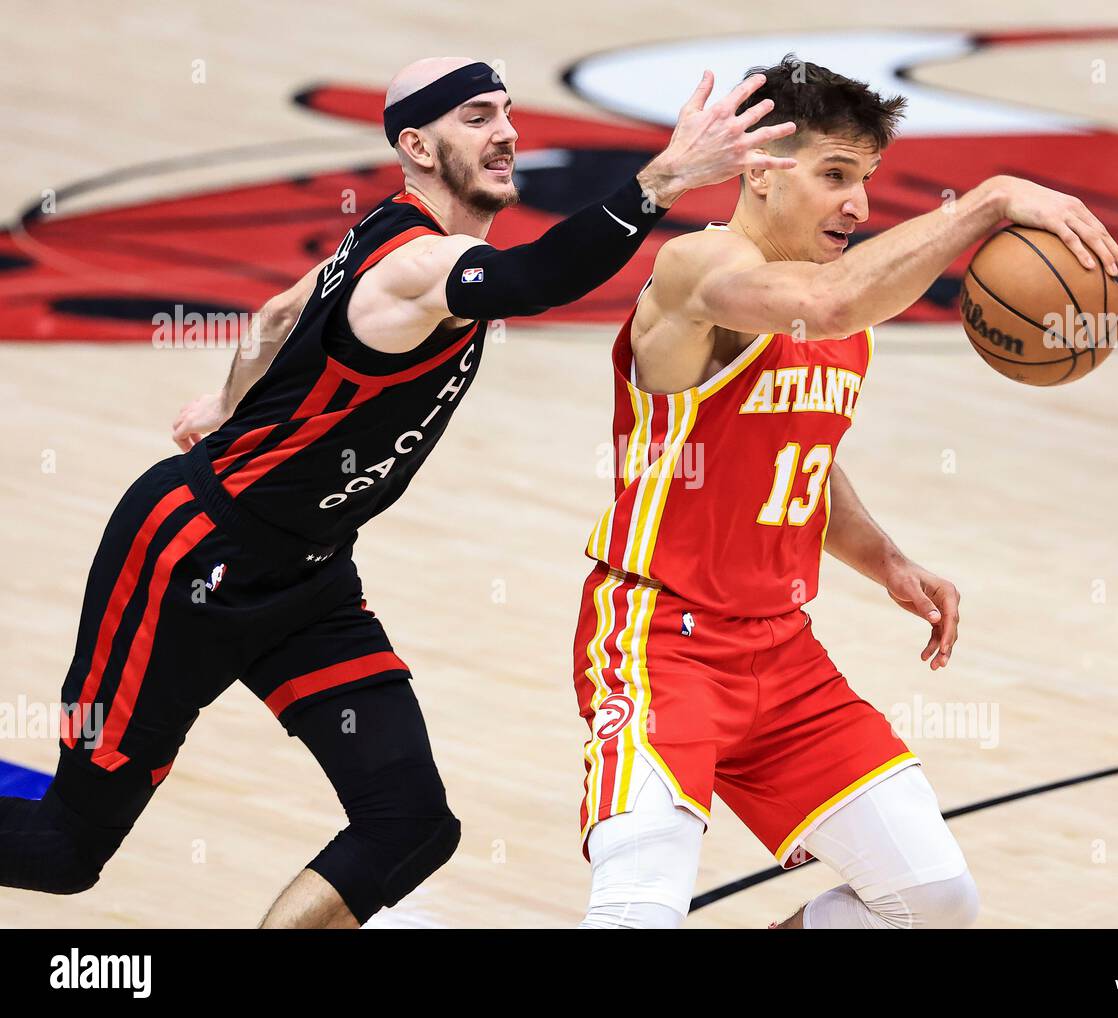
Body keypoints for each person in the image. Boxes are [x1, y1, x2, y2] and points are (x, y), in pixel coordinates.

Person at [0, 55, 797, 928]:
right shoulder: (418, 262)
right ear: (416, 144)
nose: (505, 134)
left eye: (504, 113)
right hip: (194, 560)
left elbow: (275, 316)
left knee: (410, 824)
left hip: (308, 581)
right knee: (68, 850)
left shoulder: (391, 235)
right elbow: (535, 281)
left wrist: (228, 401)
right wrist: (668, 176)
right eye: (474, 118)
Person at [572, 55, 1118, 929]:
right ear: (759, 168)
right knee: (638, 913)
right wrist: (987, 201)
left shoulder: (845, 316)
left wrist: (887, 559)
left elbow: (801, 460)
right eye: (835, 175)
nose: (859, 205)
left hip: (780, 653)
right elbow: (825, 303)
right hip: (660, 644)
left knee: (933, 901)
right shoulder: (699, 269)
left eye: (866, 180)